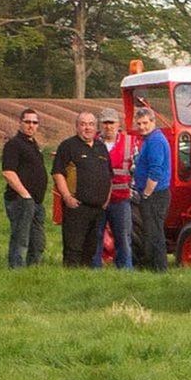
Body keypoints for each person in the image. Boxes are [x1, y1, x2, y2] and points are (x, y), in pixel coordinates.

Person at [52, 111, 111, 268]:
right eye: (83, 124)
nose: (87, 128)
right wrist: (66, 197)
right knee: (74, 248)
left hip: (97, 209)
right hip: (77, 207)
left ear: (96, 127)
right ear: (77, 127)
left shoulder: (101, 147)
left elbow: (109, 175)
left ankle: (85, 280)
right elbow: (58, 173)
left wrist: (106, 200)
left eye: (91, 124)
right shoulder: (68, 146)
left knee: (91, 250)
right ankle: (71, 280)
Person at [0, 108, 47, 267]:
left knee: (38, 241)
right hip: (21, 200)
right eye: (27, 122)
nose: (31, 125)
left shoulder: (33, 145)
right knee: (21, 239)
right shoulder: (14, 145)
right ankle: (16, 271)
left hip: (36, 202)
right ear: (20, 123)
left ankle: (32, 271)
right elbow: (8, 172)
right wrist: (25, 195)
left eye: (34, 122)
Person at [130, 106, 173, 271]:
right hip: (153, 193)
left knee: (155, 233)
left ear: (153, 122)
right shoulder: (150, 139)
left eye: (145, 123)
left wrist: (146, 193)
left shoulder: (155, 141)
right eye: (139, 123)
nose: (142, 127)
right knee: (151, 231)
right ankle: (153, 266)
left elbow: (156, 170)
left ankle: (159, 268)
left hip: (156, 194)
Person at [96, 109, 133, 270]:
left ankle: (125, 269)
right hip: (98, 199)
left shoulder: (130, 143)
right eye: (105, 123)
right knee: (96, 235)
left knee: (123, 237)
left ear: (118, 125)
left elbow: (136, 168)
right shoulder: (93, 142)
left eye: (111, 123)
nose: (108, 126)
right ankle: (94, 268)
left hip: (121, 198)